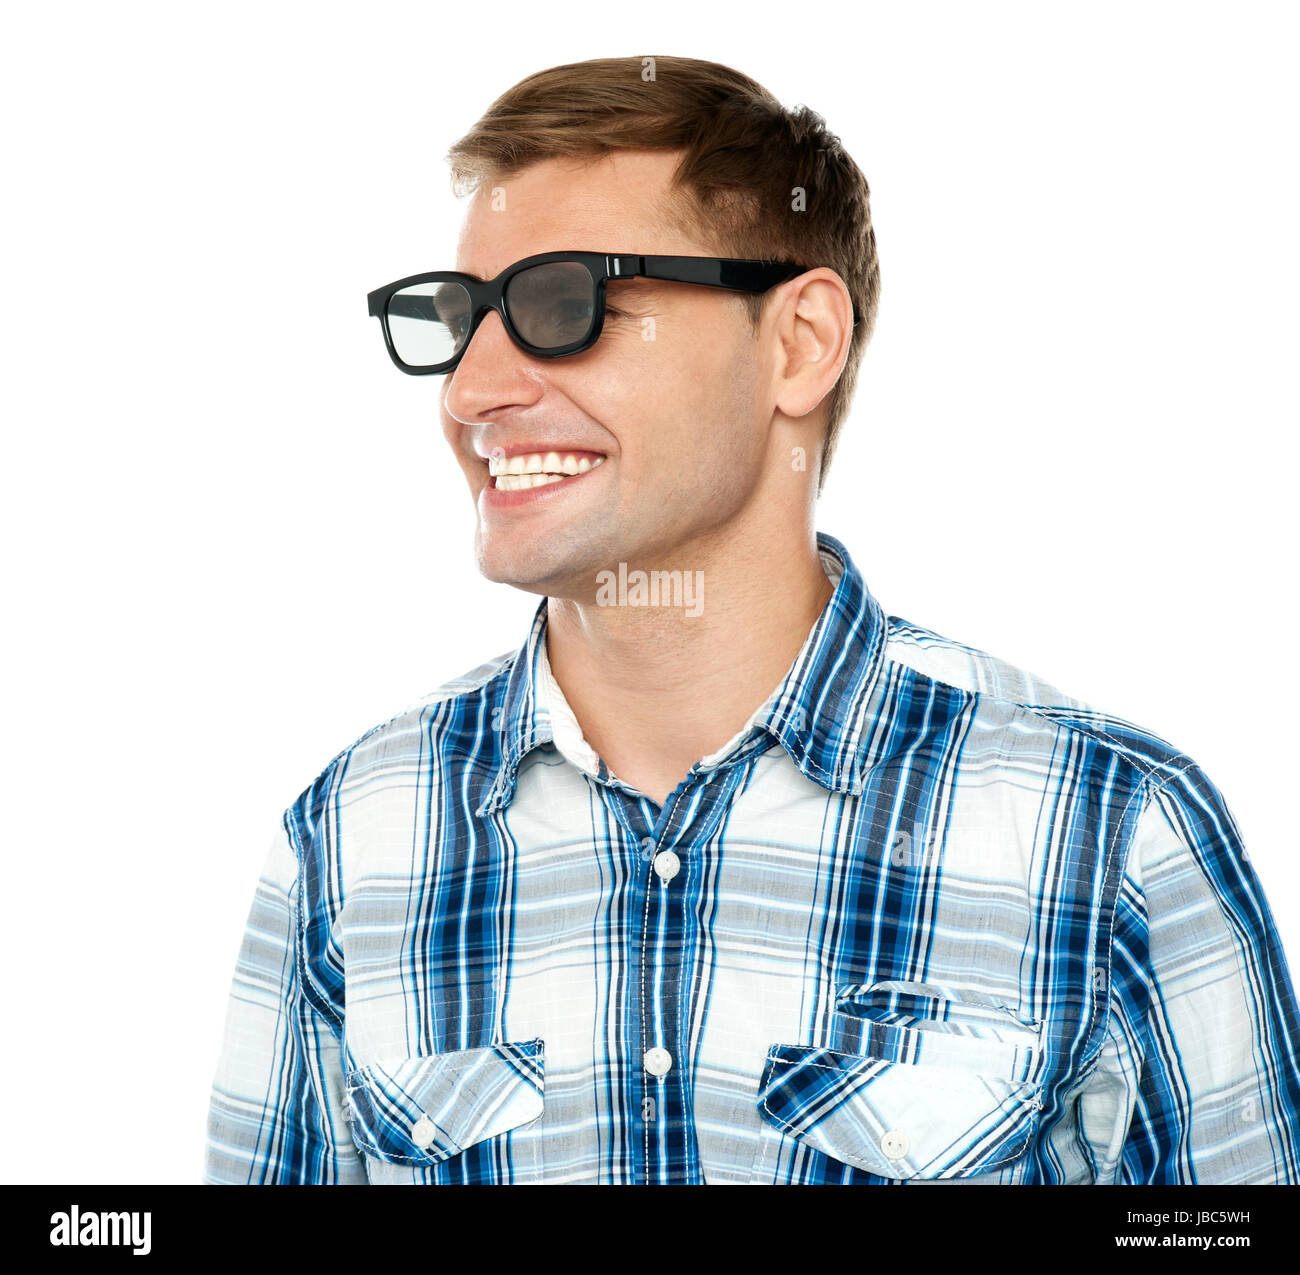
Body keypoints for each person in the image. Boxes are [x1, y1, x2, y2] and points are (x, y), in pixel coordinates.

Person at [203, 54, 1300, 1185]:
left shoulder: (1113, 829)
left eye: (562, 301)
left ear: (798, 344)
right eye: (461, 318)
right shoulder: (349, 839)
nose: (471, 393)